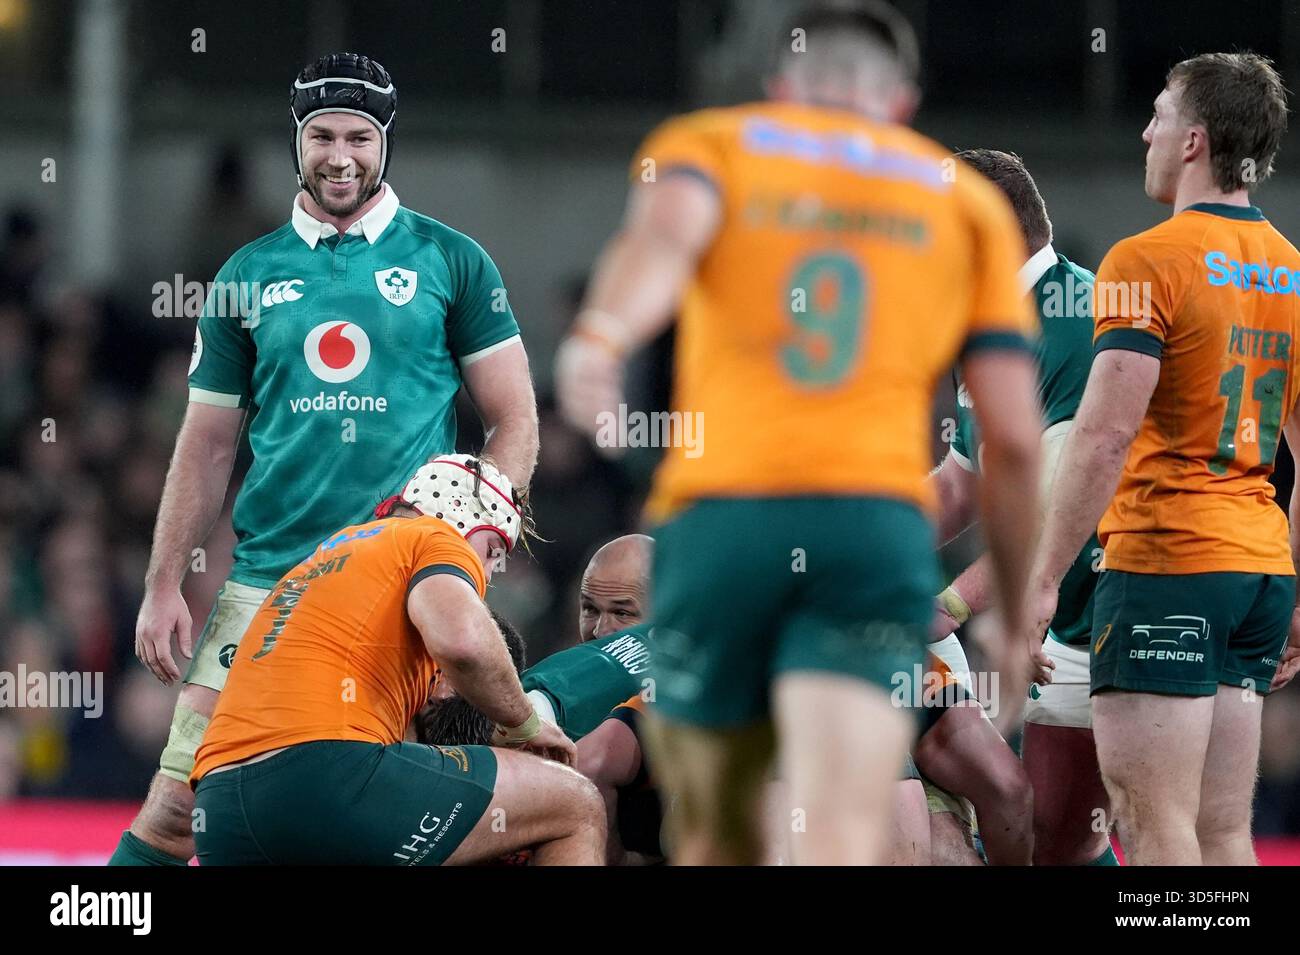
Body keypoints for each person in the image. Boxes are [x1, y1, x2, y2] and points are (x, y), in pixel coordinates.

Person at [555, 0, 1042, 864]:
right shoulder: (964, 205)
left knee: (713, 828)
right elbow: (1010, 440)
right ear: (901, 100)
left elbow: (662, 242)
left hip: (725, 520)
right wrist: (1008, 606)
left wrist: (600, 335)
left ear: (784, 86)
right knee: (848, 823)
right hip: (871, 533)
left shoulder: (714, 146)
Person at [112, 53, 538, 866]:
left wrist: (486, 523)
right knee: (173, 807)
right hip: (268, 574)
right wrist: (164, 582)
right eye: (321, 136)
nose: (340, 155)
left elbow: (515, 418)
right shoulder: (247, 273)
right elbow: (205, 442)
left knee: (386, 807)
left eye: (359, 137)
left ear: (386, 144)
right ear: (296, 143)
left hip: (395, 583)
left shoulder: (453, 260)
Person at [1028, 52, 1300, 865]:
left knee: (1154, 827)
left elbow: (1104, 434)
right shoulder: (1292, 271)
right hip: (1255, 572)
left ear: (1194, 140)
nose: (1144, 131)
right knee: (1222, 830)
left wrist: (1041, 580)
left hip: (1166, 563)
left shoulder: (1144, 260)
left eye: (1157, 114)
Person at [191, 456, 604, 865]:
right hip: (320, 774)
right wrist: (524, 723)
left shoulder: (317, 564)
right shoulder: (434, 538)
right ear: (462, 516)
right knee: (574, 803)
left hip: (220, 809)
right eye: (493, 550)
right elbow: (463, 642)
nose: (490, 574)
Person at [928, 148, 1110, 865]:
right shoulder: (988, 321)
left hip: (1106, 611)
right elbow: (961, 482)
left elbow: (1074, 492)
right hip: (1059, 616)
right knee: (1052, 838)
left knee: (1052, 837)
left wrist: (957, 597)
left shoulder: (1078, 317)